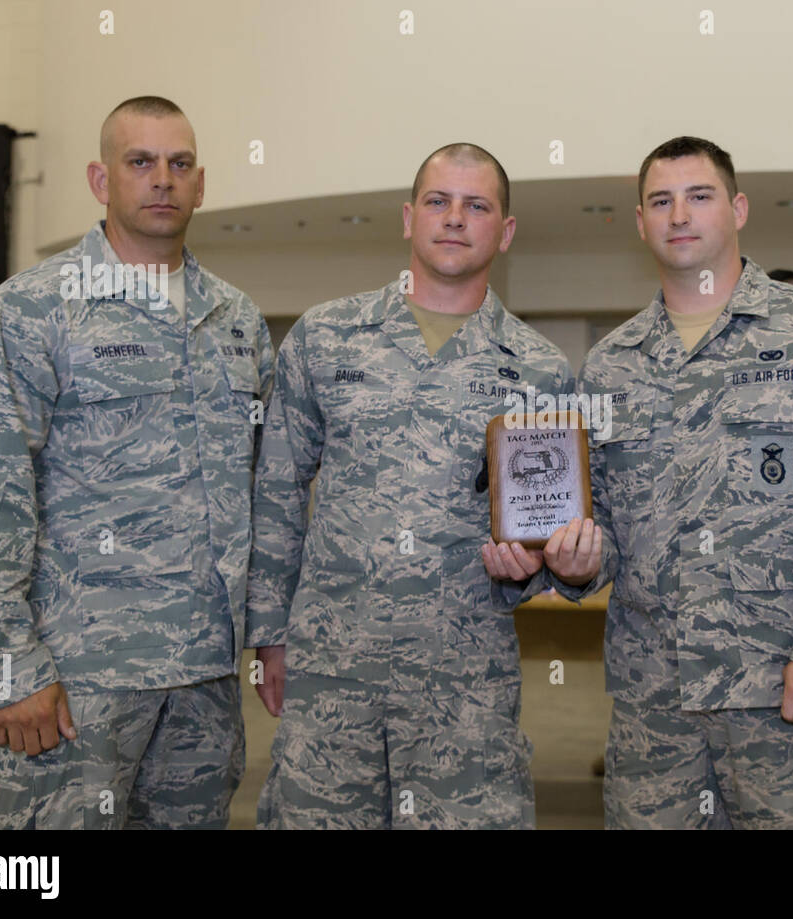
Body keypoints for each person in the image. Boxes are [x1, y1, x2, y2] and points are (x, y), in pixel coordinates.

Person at [0, 95, 273, 829]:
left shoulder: (235, 320)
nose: (162, 180)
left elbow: (263, 494)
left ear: (201, 184)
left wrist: (268, 632)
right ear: (99, 179)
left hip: (204, 686)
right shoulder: (33, 310)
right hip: (73, 688)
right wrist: (7, 670)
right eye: (139, 162)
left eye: (179, 164)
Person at [542, 136, 793, 828]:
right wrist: (580, 564)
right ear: (640, 222)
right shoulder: (613, 365)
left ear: (737, 208)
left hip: (790, 697)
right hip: (657, 707)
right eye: (660, 200)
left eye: (699, 196)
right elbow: (607, 528)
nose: (680, 214)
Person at [249, 143, 592, 829]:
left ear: (506, 229)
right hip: (332, 672)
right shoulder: (327, 338)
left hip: (463, 685)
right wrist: (268, 631)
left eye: (477, 205)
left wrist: (536, 569)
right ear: (409, 218)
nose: (454, 218)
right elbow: (278, 487)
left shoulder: (538, 370)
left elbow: (549, 529)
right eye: (438, 201)